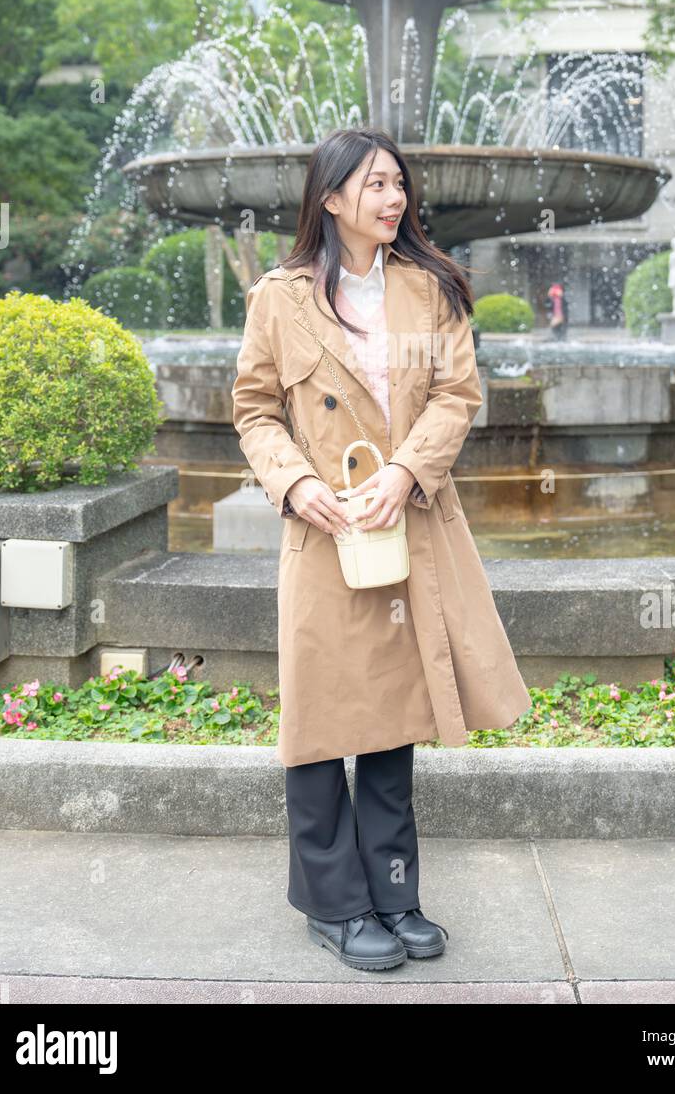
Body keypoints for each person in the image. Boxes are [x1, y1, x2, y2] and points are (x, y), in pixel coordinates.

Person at [231, 126, 532, 971]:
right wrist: (296, 485)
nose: (393, 199)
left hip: (410, 518)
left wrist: (407, 471)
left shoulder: (427, 291)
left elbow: (455, 394)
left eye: (398, 184)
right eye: (374, 186)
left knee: (395, 716)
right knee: (325, 717)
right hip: (325, 528)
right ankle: (334, 906)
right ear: (330, 200)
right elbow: (254, 411)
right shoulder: (279, 298)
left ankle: (396, 894)